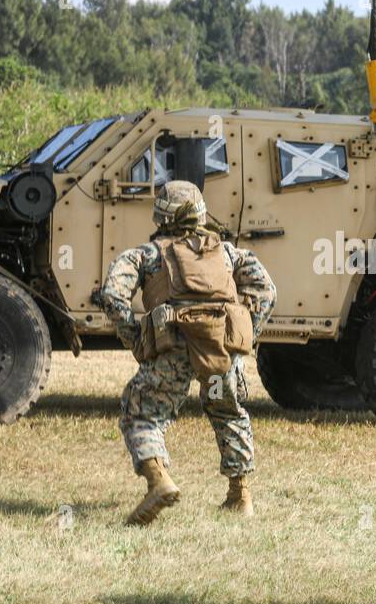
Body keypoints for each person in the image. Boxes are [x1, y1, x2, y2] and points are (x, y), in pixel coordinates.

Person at [101, 180, 276, 525]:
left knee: (143, 414)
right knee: (228, 412)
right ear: (199, 213)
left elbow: (112, 295)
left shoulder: (146, 255)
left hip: (170, 350)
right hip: (219, 349)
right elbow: (266, 291)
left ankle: (159, 482)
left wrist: (135, 337)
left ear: (160, 217)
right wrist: (244, 334)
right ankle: (240, 496)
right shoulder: (227, 252)